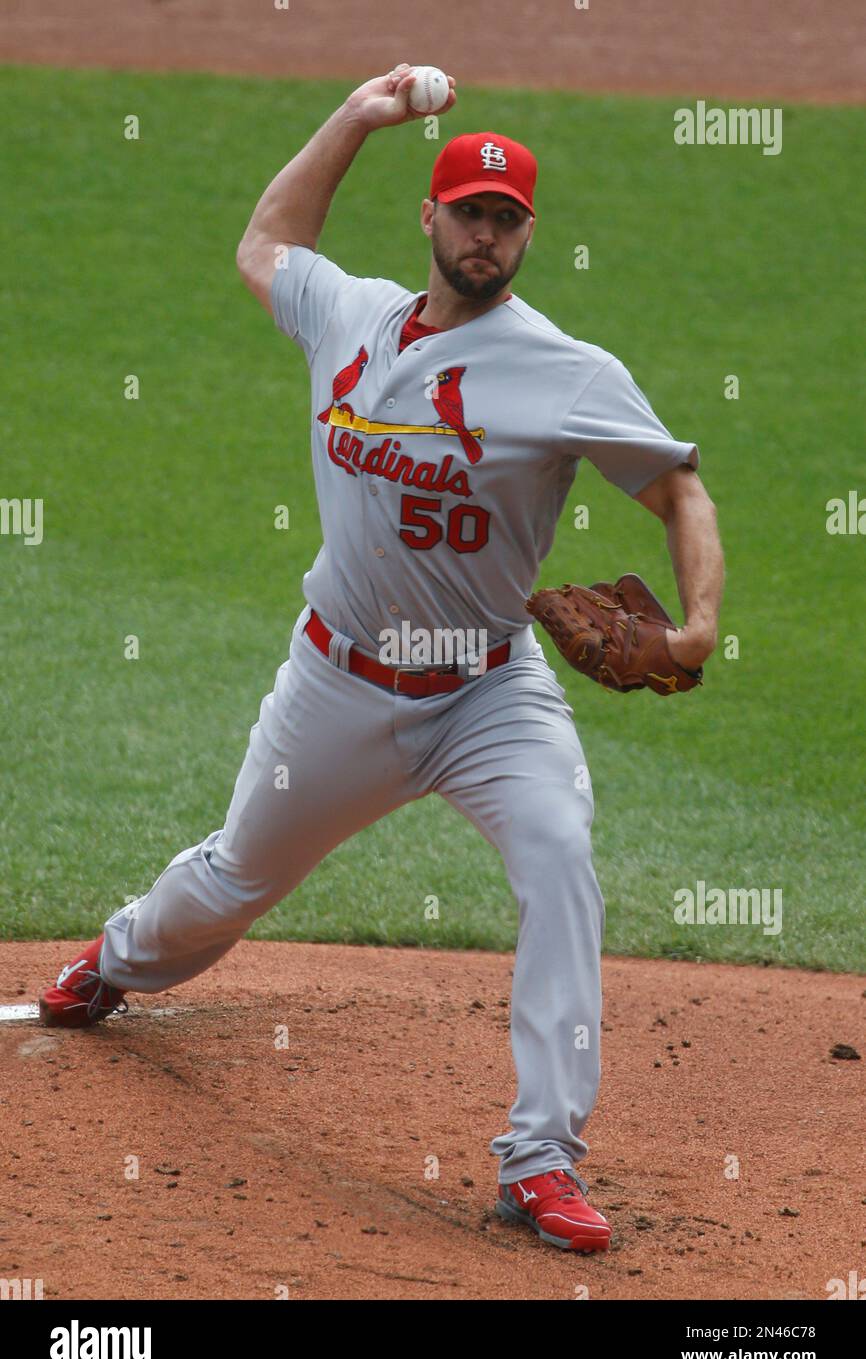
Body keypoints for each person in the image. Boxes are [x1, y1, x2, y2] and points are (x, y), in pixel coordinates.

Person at [40, 64, 724, 1253]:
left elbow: (676, 486)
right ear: (430, 215)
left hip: (488, 689)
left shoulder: (563, 368)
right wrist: (356, 117)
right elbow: (264, 240)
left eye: (508, 219)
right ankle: (115, 961)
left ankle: (540, 1159)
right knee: (231, 879)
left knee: (560, 854)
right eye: (469, 210)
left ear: (526, 237)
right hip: (338, 684)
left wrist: (699, 622)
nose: (487, 235)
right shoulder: (345, 315)